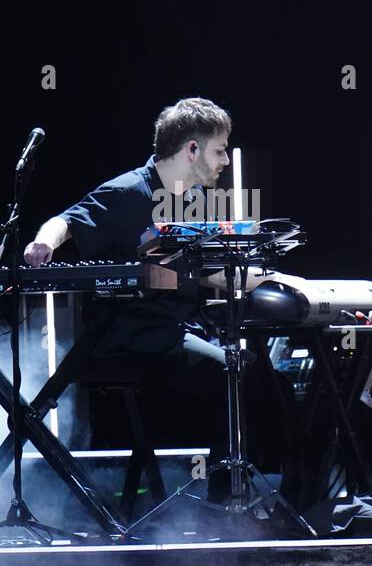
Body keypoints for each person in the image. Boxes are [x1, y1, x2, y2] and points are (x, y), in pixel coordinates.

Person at [24, 97, 246, 496]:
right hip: (128, 332)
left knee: (262, 375)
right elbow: (65, 222)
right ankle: (225, 501)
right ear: (191, 149)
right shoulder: (126, 193)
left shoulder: (195, 201)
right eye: (220, 150)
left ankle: (286, 496)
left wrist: (286, 281)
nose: (226, 160)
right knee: (230, 372)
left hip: (177, 328)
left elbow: (211, 269)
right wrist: (44, 243)